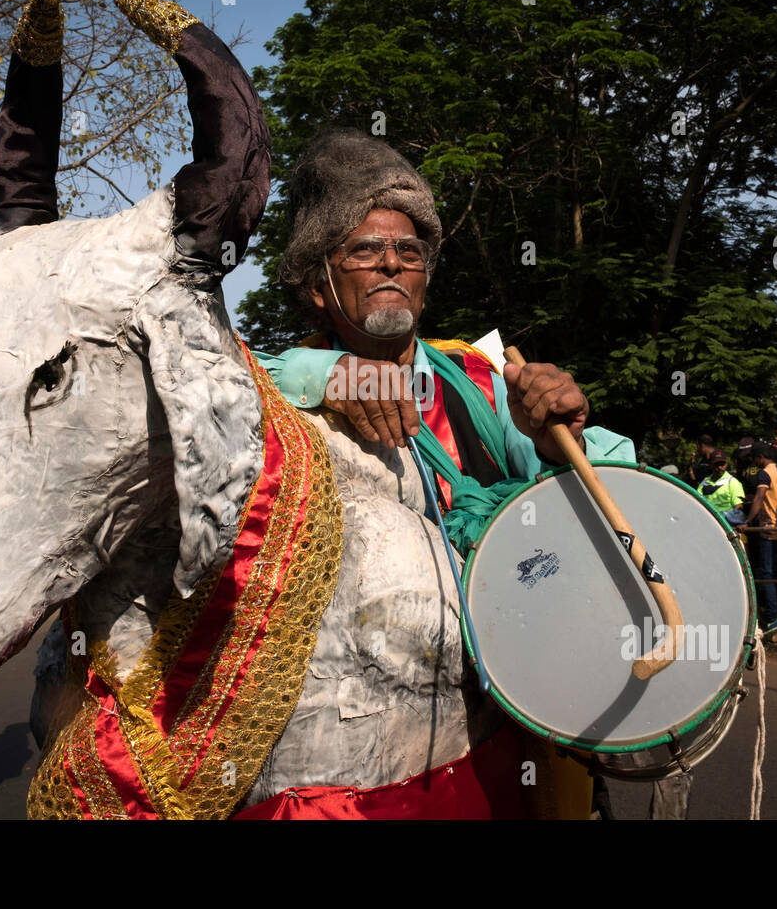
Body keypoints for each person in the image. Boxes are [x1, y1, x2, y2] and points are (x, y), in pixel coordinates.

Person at [252, 127, 644, 817]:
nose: (391, 265)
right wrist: (323, 372)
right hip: (347, 760)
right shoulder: (276, 387)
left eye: (410, 252)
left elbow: (606, 485)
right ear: (318, 288)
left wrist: (559, 433)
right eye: (365, 251)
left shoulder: (478, 376)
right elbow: (214, 387)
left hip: (510, 698)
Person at [744, 444, 777, 630]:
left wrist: (747, 521)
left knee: (767, 573)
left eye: (755, 459)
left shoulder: (764, 474)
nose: (754, 463)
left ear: (761, 457)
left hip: (769, 529)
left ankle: (772, 617)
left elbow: (759, 498)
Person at [699, 451, 744, 519]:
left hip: (725, 522)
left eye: (722, 464)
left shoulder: (732, 482)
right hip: (707, 519)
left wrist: (725, 517)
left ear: (726, 464)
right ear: (711, 465)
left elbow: (739, 506)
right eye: (716, 464)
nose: (720, 467)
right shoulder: (704, 482)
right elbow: (697, 501)